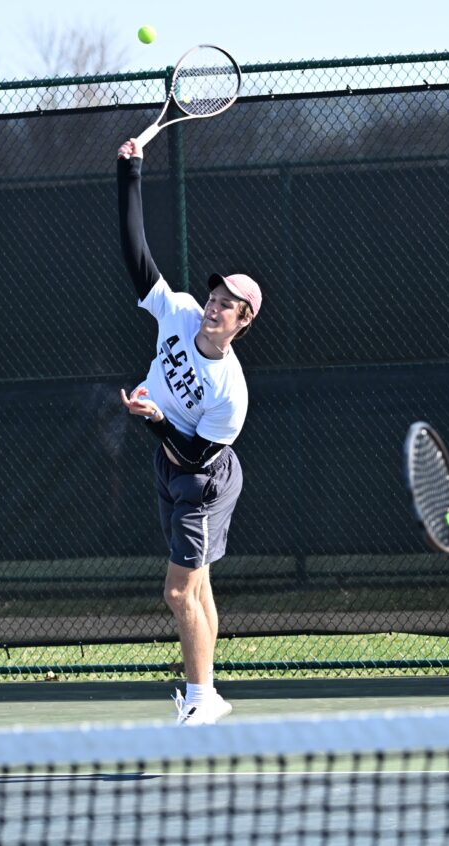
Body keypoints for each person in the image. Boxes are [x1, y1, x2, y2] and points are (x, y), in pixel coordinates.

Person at [115, 137, 259, 726]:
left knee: (178, 593)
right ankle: (212, 693)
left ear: (243, 322)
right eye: (214, 295)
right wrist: (130, 173)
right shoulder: (175, 311)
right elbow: (135, 254)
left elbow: (197, 454)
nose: (213, 305)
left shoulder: (232, 393)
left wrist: (155, 421)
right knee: (196, 591)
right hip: (170, 463)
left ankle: (199, 700)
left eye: (228, 304)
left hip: (205, 478)